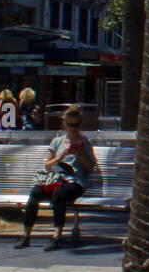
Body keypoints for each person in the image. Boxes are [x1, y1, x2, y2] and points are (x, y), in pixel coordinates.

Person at [15, 105, 97, 251]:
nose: (73, 128)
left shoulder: (85, 142)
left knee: (59, 193)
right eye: (70, 125)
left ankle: (57, 236)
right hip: (55, 179)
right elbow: (47, 165)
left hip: (75, 181)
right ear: (65, 124)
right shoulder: (57, 141)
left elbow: (90, 168)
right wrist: (60, 157)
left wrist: (79, 154)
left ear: (80, 124)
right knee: (34, 193)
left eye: (76, 125)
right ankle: (26, 235)